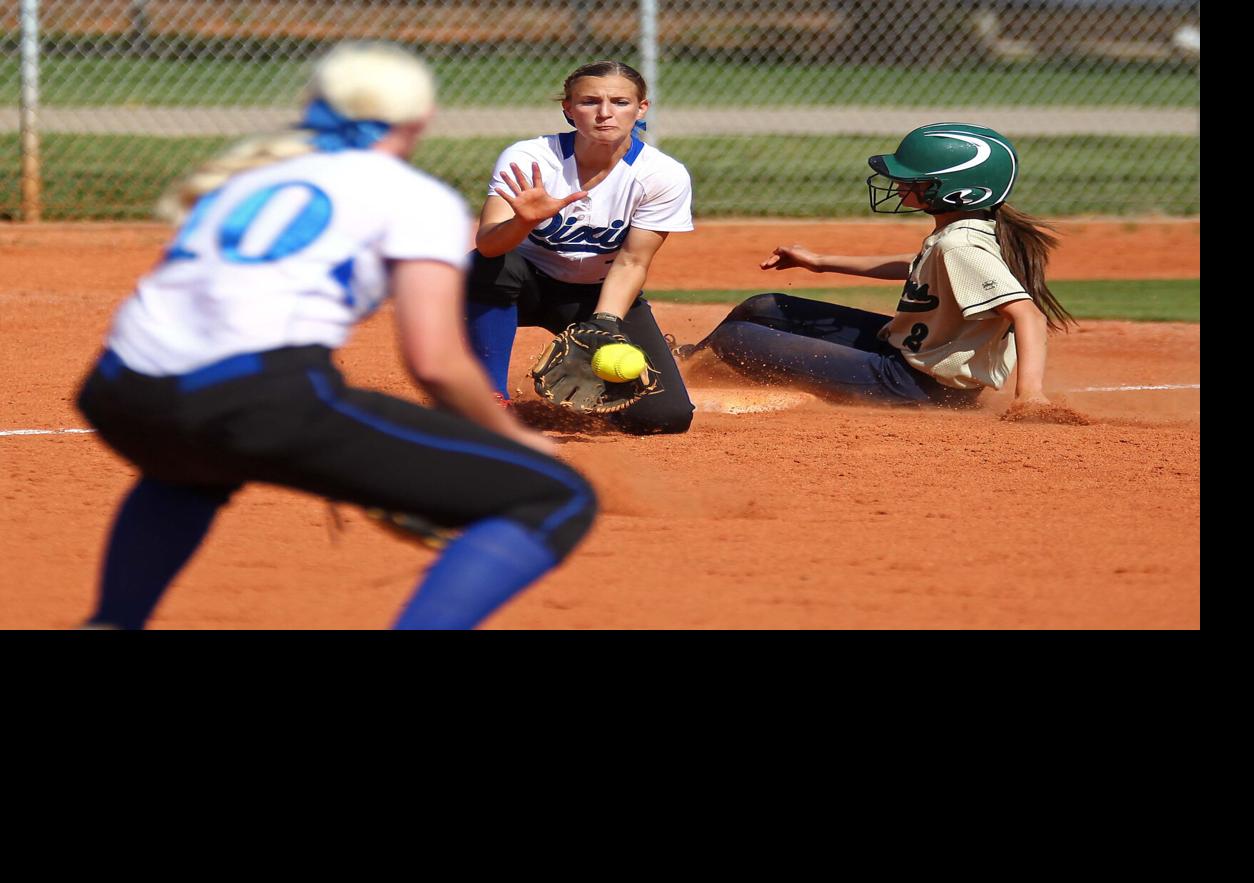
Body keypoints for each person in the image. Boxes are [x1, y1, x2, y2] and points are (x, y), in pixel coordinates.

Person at [74, 42, 597, 630]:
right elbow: (435, 362)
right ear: (420, 118)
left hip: (118, 390)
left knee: (188, 469)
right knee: (559, 495)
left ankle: (111, 621)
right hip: (256, 399)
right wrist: (512, 439)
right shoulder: (417, 199)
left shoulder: (247, 175)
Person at [679, 122, 1074, 413]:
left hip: (915, 385)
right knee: (764, 306)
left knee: (737, 339)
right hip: (904, 354)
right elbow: (918, 265)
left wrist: (1030, 396)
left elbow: (1029, 316)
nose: (899, 185)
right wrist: (820, 262)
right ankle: (690, 360)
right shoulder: (960, 233)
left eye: (912, 180)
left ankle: (683, 374)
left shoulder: (961, 244)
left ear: (956, 190)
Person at [465, 60, 695, 434]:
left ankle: (604, 397)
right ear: (568, 109)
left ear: (641, 109)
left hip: (597, 293)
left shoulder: (661, 174)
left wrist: (605, 322)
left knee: (664, 418)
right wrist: (523, 221)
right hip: (527, 285)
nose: (605, 113)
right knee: (489, 265)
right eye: (590, 102)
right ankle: (489, 397)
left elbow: (633, 261)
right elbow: (488, 246)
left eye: (620, 102)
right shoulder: (531, 158)